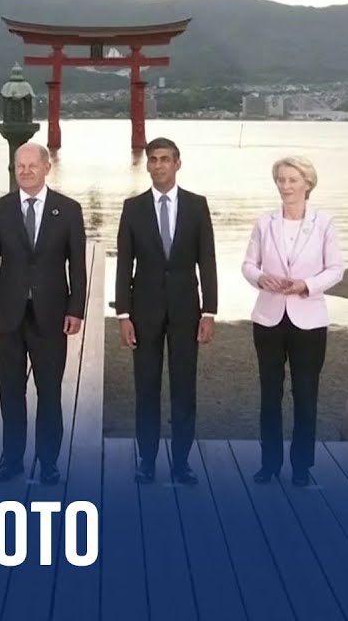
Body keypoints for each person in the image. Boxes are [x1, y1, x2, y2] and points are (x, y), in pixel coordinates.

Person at [0, 142, 86, 485]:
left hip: (52, 315)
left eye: (31, 165)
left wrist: (76, 309)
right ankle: (11, 459)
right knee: (11, 392)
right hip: (8, 313)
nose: (24, 171)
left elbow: (78, 267)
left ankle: (49, 461)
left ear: (46, 167)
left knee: (49, 392)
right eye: (19, 166)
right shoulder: (0, 209)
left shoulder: (68, 210)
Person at [114, 137, 217, 485]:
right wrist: (123, 315)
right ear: (148, 165)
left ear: (177, 163)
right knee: (146, 388)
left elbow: (208, 261)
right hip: (143, 312)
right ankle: (146, 460)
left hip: (187, 310)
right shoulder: (133, 208)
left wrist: (210, 312)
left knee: (184, 389)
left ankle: (181, 463)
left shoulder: (197, 205)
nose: (158, 165)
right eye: (153, 160)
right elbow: (124, 264)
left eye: (164, 159)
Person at [241, 156, 343, 487]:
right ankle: (269, 464)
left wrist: (306, 285)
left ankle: (302, 467)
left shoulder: (324, 223)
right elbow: (248, 264)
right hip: (268, 318)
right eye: (281, 180)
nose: (285, 186)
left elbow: (335, 269)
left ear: (307, 184)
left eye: (292, 180)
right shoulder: (264, 222)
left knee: (306, 393)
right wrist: (260, 278)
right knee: (269, 394)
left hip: (309, 320)